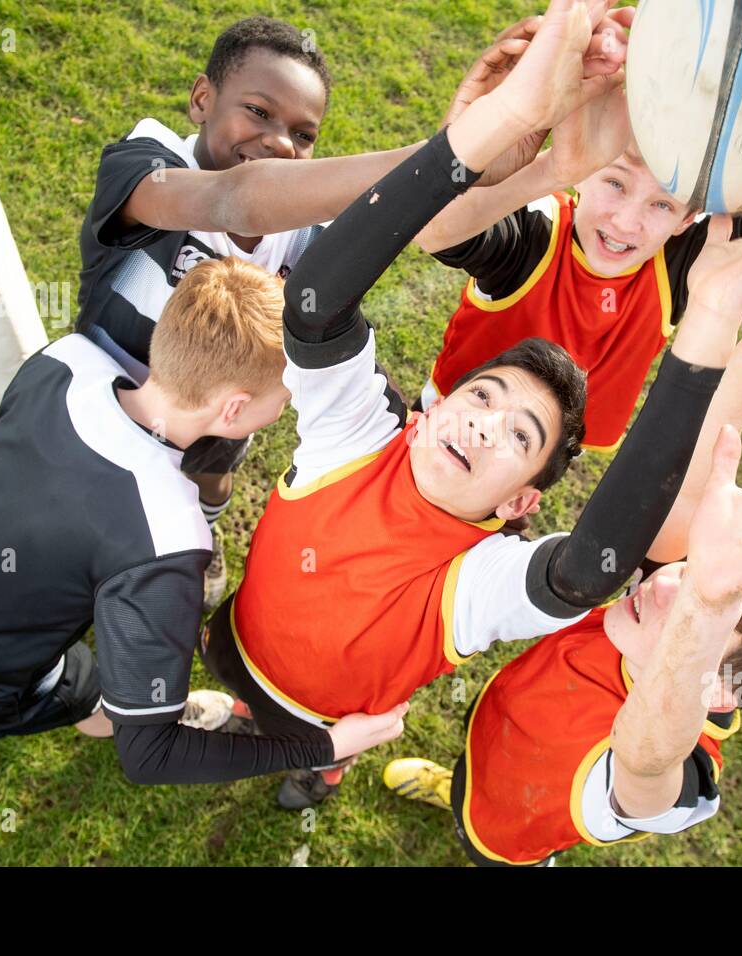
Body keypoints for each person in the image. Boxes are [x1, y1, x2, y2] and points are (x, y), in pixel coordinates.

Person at [198, 0, 742, 808]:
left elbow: (592, 565)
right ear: (434, 406)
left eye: (519, 432)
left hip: (335, 710)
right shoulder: (360, 435)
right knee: (239, 686)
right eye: (485, 393)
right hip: (238, 641)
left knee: (322, 744)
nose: (486, 417)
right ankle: (249, 712)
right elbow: (315, 301)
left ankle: (323, 767)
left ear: (526, 501)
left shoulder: (472, 586)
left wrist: (722, 309)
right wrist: (512, 129)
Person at [383, 229, 742, 866]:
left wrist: (709, 602)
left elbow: (643, 765)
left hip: (512, 834)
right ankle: (456, 784)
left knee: (487, 845)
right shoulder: (655, 609)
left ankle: (481, 835)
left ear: (718, 692)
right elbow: (689, 489)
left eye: (699, 612)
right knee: (472, 773)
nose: (664, 584)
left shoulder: (678, 764)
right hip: (494, 730)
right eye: (689, 576)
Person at [73, 14, 571, 603]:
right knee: (95, 524)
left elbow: (423, 221)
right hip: (104, 398)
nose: (280, 142)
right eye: (258, 111)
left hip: (215, 418)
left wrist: (517, 159)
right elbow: (234, 202)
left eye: (303, 134)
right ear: (202, 98)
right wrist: (449, 153)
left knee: (208, 473)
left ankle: (206, 526)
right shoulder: (147, 160)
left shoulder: (307, 226)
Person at [0, 257, 406, 784]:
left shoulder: (65, 360)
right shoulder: (167, 535)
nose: (282, 411)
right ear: (232, 410)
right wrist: (323, 743)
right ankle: (95, 709)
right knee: (95, 698)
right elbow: (151, 756)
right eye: (283, 398)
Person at [412, 75, 742, 452]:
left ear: (687, 219)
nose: (626, 223)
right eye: (615, 183)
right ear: (582, 170)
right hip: (446, 431)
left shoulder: (681, 262)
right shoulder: (535, 232)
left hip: (537, 456)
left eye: (662, 204)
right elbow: (433, 225)